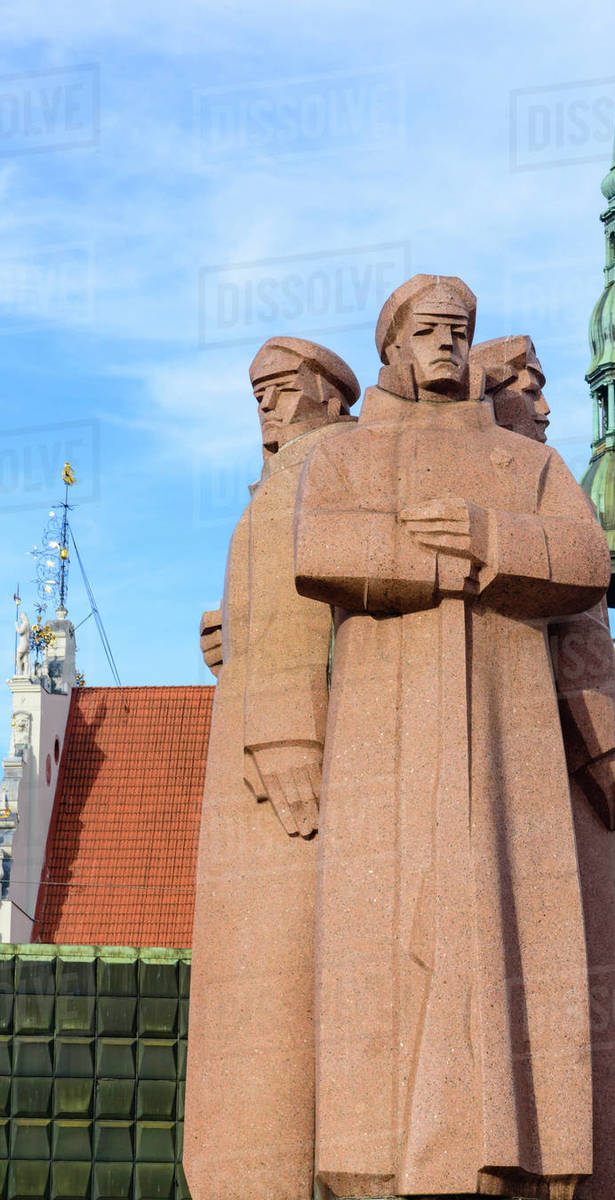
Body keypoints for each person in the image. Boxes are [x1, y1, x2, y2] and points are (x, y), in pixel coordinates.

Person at [294, 275, 614, 1200]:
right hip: (381, 737)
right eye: (426, 332)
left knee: (510, 936)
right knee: (386, 942)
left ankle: (524, 1154)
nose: (444, 345)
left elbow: (587, 563)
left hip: (509, 746)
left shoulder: (527, 467)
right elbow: (319, 551)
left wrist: (484, 539)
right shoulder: (349, 458)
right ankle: (377, 1157)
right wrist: (436, 567)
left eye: (458, 332)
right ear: (392, 346)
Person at [472, 333, 615, 1197]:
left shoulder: (545, 486)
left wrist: (604, 738)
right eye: (526, 390)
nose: (544, 409)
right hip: (493, 757)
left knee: (563, 965)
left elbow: (582, 625)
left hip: (550, 768)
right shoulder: (494, 482)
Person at [184, 336, 358, 1200]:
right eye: (257, 391)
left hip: (283, 766)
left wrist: (286, 722)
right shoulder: (284, 474)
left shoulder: (323, 464)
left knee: (280, 982)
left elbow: (309, 600)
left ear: (331, 394)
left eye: (284, 387)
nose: (266, 404)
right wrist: (230, 638)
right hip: (252, 747)